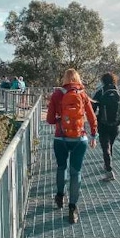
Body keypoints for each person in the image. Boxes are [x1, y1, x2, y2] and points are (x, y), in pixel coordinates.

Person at [46, 69, 98, 223]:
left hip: (60, 138)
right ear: (77, 79)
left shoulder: (57, 94)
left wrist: (60, 121)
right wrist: (93, 135)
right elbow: (91, 117)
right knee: (76, 172)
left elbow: (49, 119)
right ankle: (72, 208)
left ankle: (60, 196)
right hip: (79, 139)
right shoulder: (82, 94)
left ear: (64, 79)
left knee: (62, 167)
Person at [92, 72, 120, 181]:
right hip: (115, 126)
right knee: (110, 145)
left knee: (105, 147)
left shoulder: (100, 92)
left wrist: (95, 120)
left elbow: (92, 108)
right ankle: (107, 165)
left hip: (103, 125)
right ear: (114, 80)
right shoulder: (119, 93)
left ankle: (109, 172)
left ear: (103, 81)